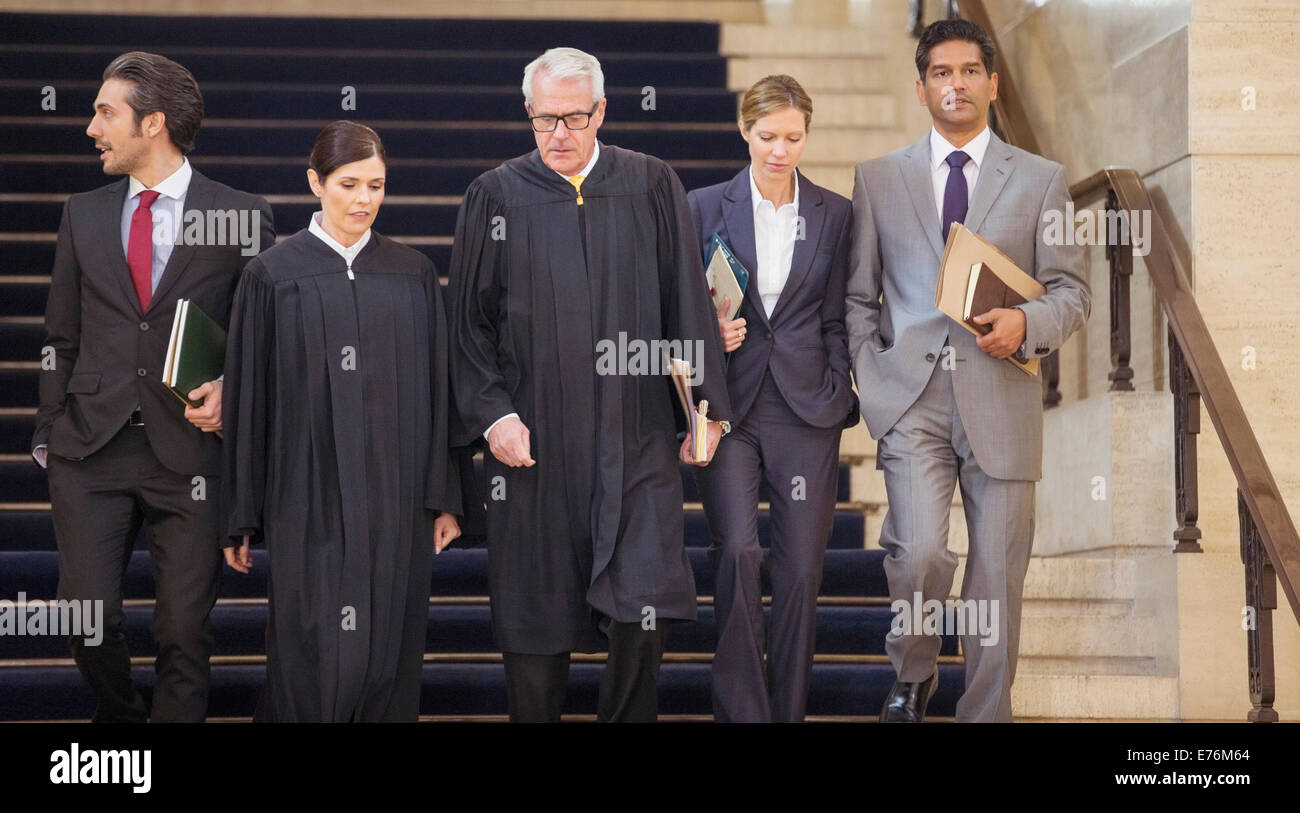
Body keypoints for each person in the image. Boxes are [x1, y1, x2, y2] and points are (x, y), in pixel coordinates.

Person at [447, 47, 732, 723]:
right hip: (535, 446)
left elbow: (685, 305)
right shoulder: (496, 195)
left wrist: (705, 408)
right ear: (528, 114)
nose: (559, 135)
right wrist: (494, 417)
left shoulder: (651, 184)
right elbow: (469, 329)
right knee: (537, 624)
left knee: (644, 610)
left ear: (602, 110)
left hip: (633, 438)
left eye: (574, 118)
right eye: (545, 120)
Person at [846, 19, 1090, 722]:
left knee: (995, 580)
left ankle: (986, 712)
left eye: (969, 71)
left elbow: (1073, 291)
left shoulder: (1042, 180)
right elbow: (859, 296)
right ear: (921, 88)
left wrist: (1028, 325)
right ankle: (914, 669)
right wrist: (875, 375)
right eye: (941, 73)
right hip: (911, 399)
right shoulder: (878, 178)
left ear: (992, 82)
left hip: (1002, 395)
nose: (956, 83)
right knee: (920, 551)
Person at [32, 52, 274, 722]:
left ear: (154, 123)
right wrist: (50, 433)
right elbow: (60, 335)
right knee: (86, 618)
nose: (91, 127)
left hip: (193, 457)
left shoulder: (244, 217)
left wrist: (234, 385)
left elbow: (268, 340)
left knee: (183, 635)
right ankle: (120, 716)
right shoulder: (81, 213)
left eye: (105, 112)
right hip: (90, 449)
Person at [221, 121, 464, 722]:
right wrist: (241, 514)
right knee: (312, 652)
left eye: (376, 185)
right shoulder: (272, 276)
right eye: (348, 183)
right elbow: (249, 401)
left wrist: (445, 496)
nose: (364, 200)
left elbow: (441, 394)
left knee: (389, 651)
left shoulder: (412, 274)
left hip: (397, 496)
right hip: (306, 496)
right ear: (315, 182)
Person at [686, 75, 857, 722]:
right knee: (736, 551)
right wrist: (708, 333)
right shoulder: (701, 206)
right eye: (767, 136)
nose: (780, 150)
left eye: (793, 137)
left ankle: (786, 711)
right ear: (743, 130)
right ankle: (743, 712)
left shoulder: (834, 213)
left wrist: (839, 383)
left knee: (801, 572)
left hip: (807, 408)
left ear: (806, 135)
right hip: (728, 405)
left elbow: (839, 313)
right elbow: (676, 305)